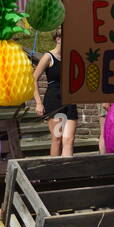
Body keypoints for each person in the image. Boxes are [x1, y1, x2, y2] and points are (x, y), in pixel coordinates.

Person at [32, 29, 78, 157]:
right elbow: (33, 79)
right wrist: (38, 103)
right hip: (54, 100)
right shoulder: (48, 57)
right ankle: (54, 175)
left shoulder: (71, 56)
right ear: (58, 39)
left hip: (69, 100)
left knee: (69, 139)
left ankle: (66, 171)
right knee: (57, 139)